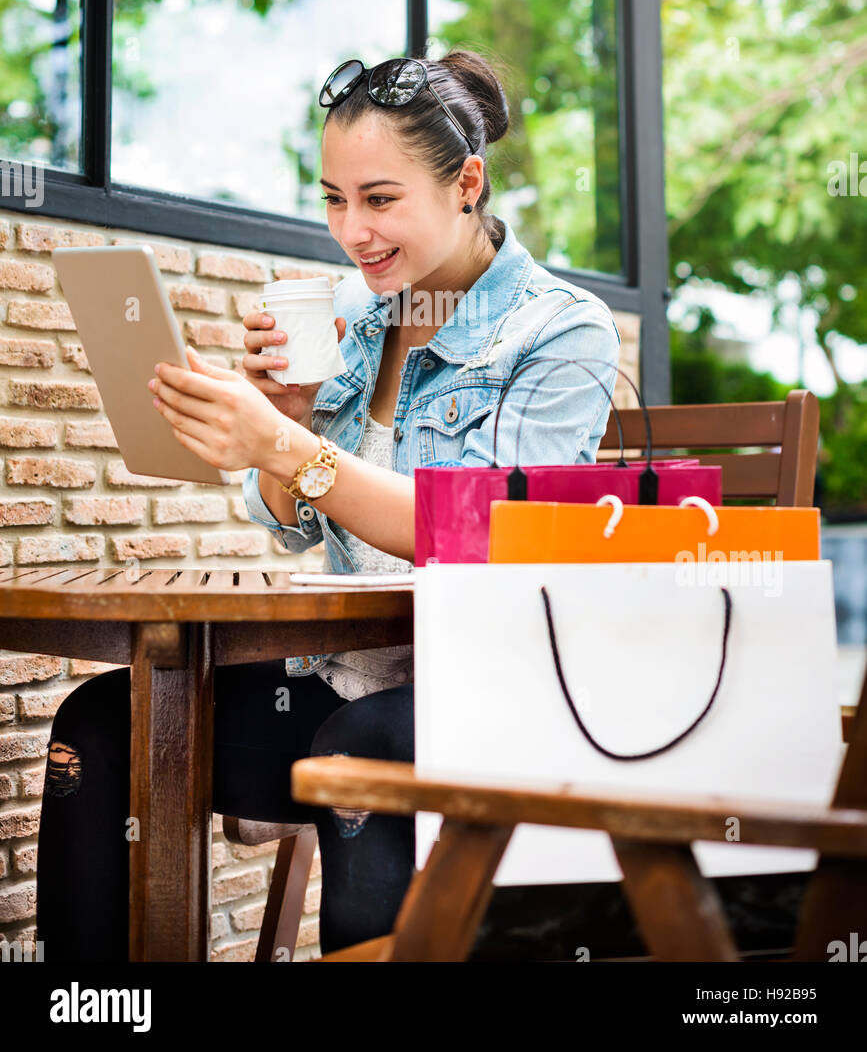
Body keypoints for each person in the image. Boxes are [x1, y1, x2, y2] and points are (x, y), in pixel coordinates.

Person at [35, 50, 621, 961]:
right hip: (345, 677)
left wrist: (285, 446)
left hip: (496, 691)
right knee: (105, 720)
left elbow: (485, 535)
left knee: (358, 747)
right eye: (333, 199)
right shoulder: (354, 311)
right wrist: (290, 419)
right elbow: (288, 517)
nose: (353, 231)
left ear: (466, 183)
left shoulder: (559, 329)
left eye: (380, 199)